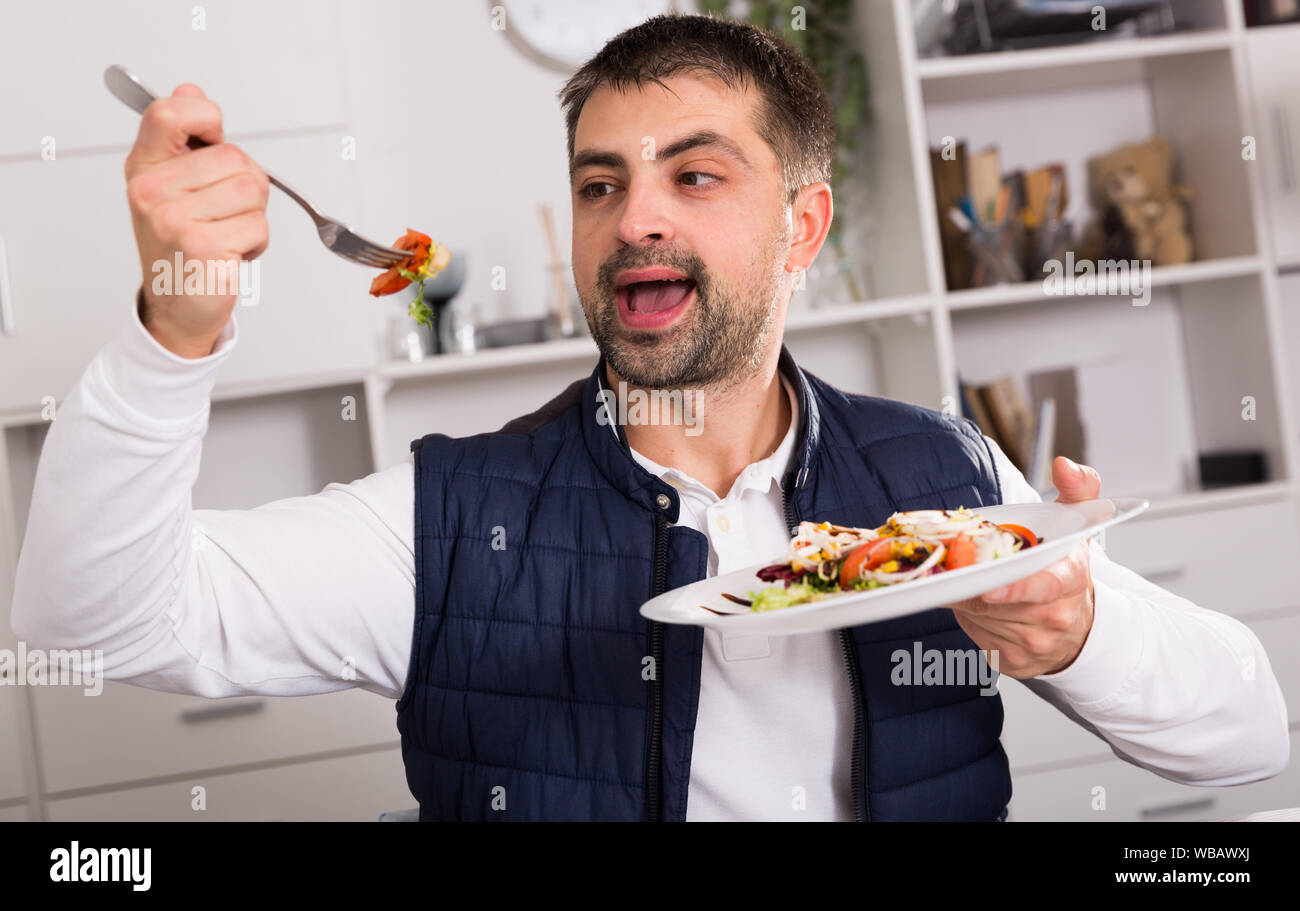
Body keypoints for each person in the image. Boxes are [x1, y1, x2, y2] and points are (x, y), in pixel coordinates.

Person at [10, 14, 1287, 821]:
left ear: (802, 226)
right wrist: (175, 324)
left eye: (695, 172)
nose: (635, 218)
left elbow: (1248, 731)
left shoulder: (945, 474)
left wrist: (1074, 630)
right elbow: (90, 621)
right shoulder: (443, 519)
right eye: (599, 183)